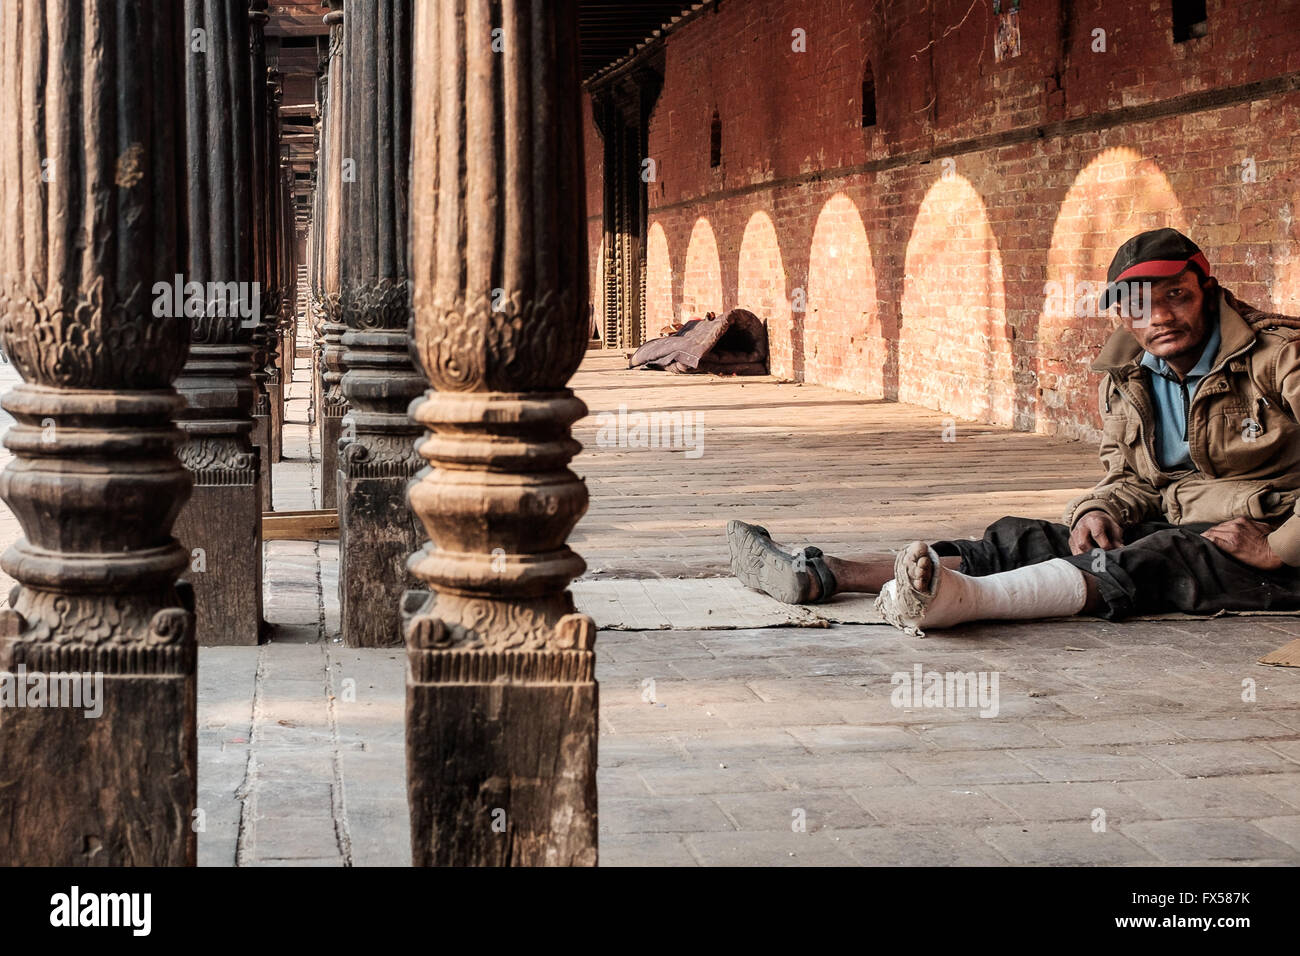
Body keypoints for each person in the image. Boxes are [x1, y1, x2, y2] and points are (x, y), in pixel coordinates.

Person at [727, 228, 1300, 635]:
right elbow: (1130, 477)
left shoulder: (1276, 358)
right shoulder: (1129, 376)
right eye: (1139, 307)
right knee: (1027, 539)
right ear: (1123, 317)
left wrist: (1277, 549)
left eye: (1176, 296)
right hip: (1188, 517)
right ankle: (825, 574)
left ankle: (966, 602)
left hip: (1271, 543)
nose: (1161, 318)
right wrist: (1096, 512)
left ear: (1207, 291)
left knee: (1161, 556)